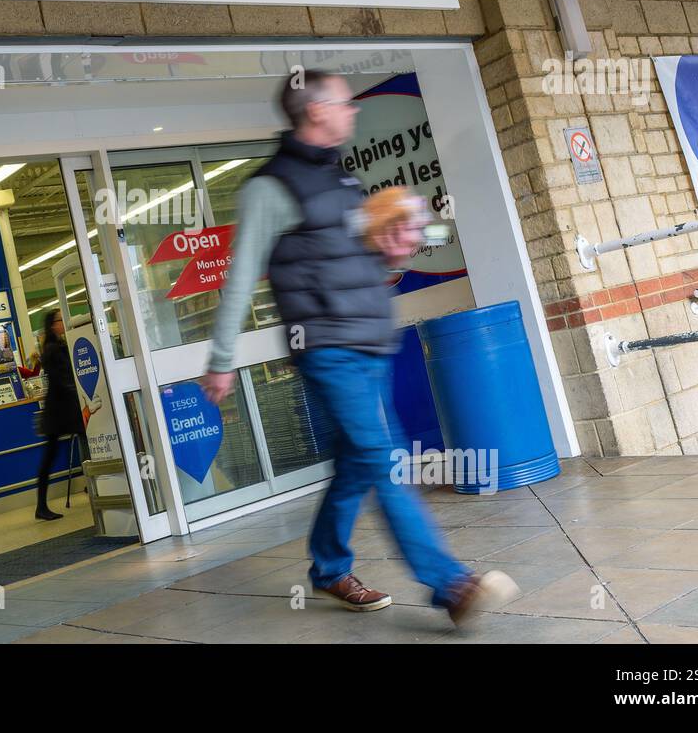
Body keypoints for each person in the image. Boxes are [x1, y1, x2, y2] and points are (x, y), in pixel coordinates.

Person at [202, 70, 519, 626]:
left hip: (368, 340)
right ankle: (451, 586)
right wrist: (222, 359)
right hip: (328, 346)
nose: (353, 112)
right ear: (316, 111)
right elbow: (241, 273)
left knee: (357, 460)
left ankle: (327, 568)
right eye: (345, 103)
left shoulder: (341, 181)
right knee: (384, 458)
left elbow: (350, 265)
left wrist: (391, 252)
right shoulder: (269, 189)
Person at [35, 309, 88, 521]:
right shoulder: (52, 350)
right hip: (61, 411)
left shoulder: (57, 347)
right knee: (88, 443)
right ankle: (41, 506)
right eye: (59, 321)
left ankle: (42, 505)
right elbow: (62, 379)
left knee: (52, 456)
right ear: (52, 325)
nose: (63, 323)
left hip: (61, 410)